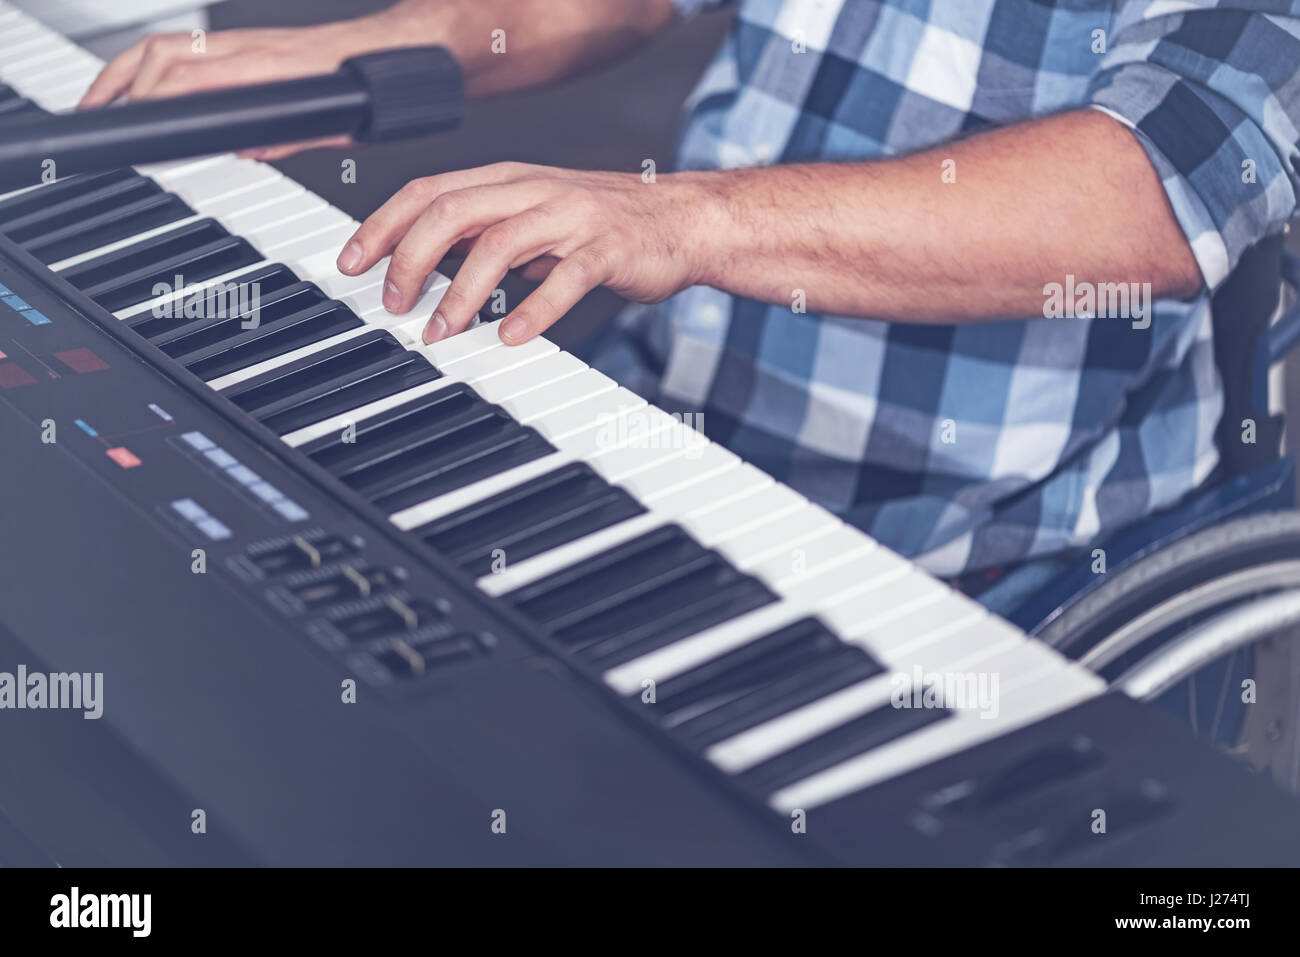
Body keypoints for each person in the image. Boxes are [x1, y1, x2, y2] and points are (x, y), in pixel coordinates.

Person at [79, 0, 1300, 616]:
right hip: (670, 410)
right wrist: (362, 58)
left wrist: (693, 219)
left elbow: (1163, 189)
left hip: (976, 549)